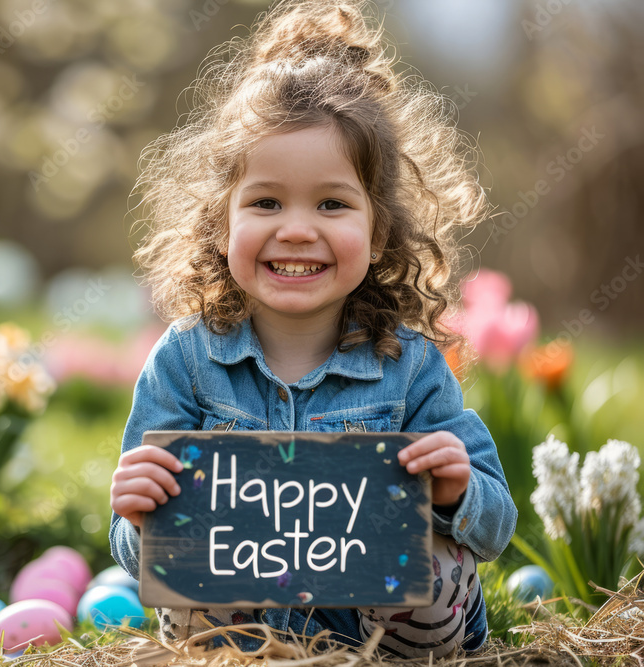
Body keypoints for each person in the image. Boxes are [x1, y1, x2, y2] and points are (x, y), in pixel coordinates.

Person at [108, 0, 517, 659]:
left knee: (431, 559)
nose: (297, 228)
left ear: (378, 231)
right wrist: (137, 514)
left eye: (331, 203)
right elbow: (140, 558)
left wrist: (457, 490)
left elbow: (495, 527)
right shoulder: (184, 360)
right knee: (187, 579)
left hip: (383, 632)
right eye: (266, 201)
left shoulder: (410, 367)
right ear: (221, 222)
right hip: (241, 634)